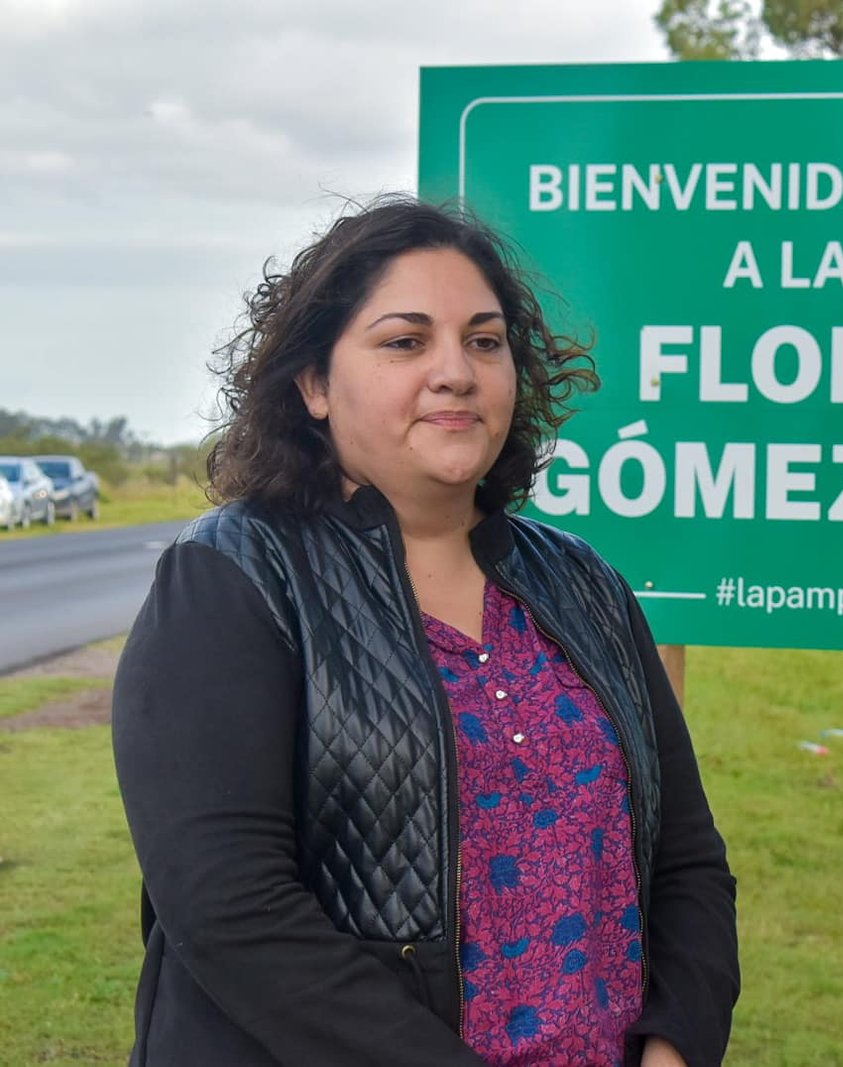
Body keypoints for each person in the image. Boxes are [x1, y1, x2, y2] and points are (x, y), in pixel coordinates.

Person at [111, 197, 739, 1067]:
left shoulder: (584, 583)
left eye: (484, 340)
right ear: (315, 384)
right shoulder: (234, 580)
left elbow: (687, 863)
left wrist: (676, 1045)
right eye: (406, 341)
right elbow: (230, 908)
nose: (456, 371)